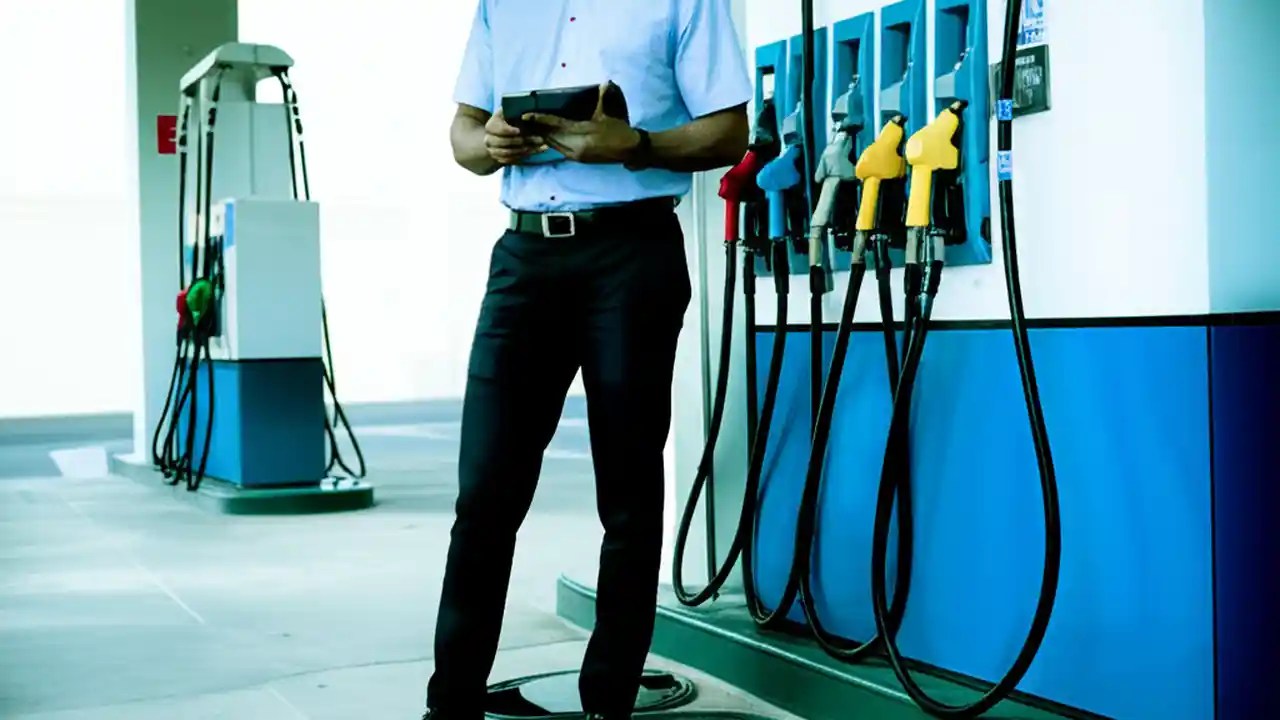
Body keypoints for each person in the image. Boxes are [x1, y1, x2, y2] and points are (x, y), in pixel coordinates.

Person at [423, 2, 752, 719]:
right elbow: (461, 133)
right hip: (524, 256)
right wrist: (492, 143)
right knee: (483, 495)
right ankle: (450, 705)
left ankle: (608, 703)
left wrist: (631, 143)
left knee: (628, 497)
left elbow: (729, 132)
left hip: (631, 255)